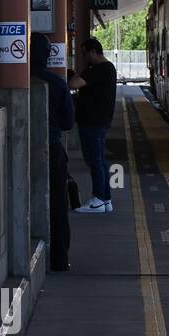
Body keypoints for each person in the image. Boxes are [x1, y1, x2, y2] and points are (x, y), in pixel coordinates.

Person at [31, 34, 74, 270]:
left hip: (15, 150)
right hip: (52, 150)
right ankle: (59, 259)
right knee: (57, 205)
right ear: (47, 55)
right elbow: (68, 123)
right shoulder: (57, 84)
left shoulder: (13, 80)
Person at [69, 37, 117, 213]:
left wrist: (76, 75)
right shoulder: (108, 67)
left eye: (84, 54)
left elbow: (73, 83)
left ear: (92, 52)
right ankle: (105, 200)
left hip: (93, 121)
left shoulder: (98, 69)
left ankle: (98, 199)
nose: (83, 58)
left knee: (94, 160)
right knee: (100, 161)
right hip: (99, 120)